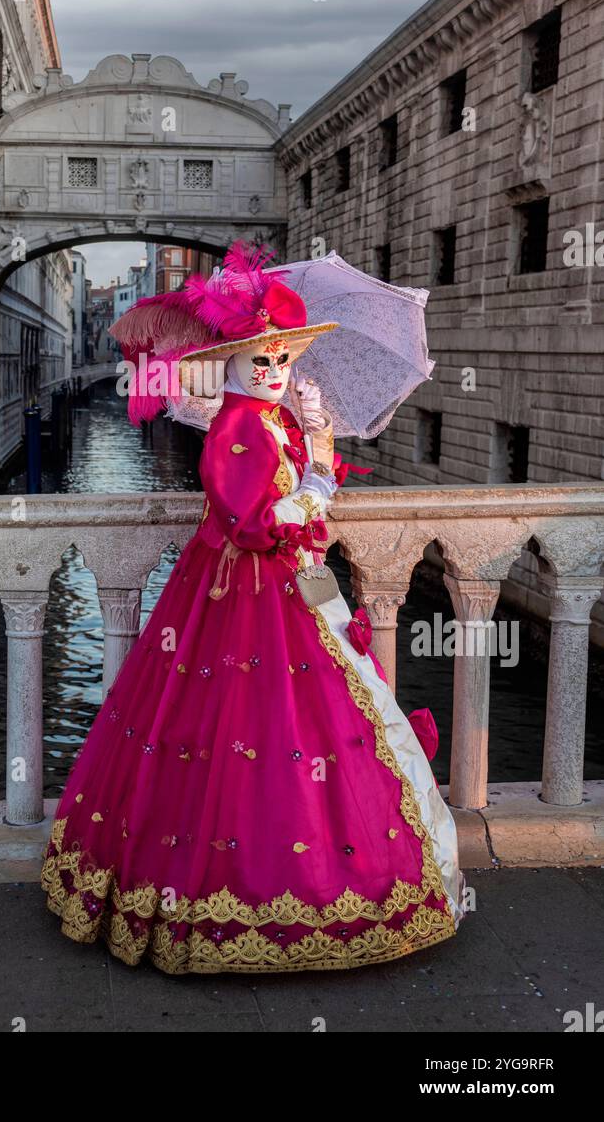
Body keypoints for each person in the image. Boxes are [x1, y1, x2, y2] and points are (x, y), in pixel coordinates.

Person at [40, 245, 465, 974]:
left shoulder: (273, 422)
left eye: (282, 360)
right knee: (244, 734)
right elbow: (250, 524)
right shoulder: (235, 429)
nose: (272, 374)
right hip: (245, 595)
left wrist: (312, 433)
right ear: (230, 365)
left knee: (297, 730)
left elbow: (288, 511)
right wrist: (321, 479)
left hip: (288, 590)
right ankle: (219, 901)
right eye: (258, 362)